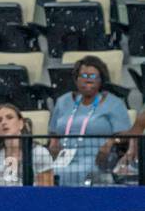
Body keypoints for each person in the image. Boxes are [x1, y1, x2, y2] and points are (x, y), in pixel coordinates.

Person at [48, 56, 129, 186]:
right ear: (76, 79)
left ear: (101, 80)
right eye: (83, 76)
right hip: (63, 159)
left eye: (92, 76)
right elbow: (53, 132)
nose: (87, 80)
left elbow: (125, 135)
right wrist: (54, 141)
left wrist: (111, 142)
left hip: (98, 160)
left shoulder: (114, 103)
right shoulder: (63, 101)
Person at [0, 102, 55, 186]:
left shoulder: (40, 153)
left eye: (9, 118)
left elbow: (46, 192)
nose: (3, 122)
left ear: (21, 124)